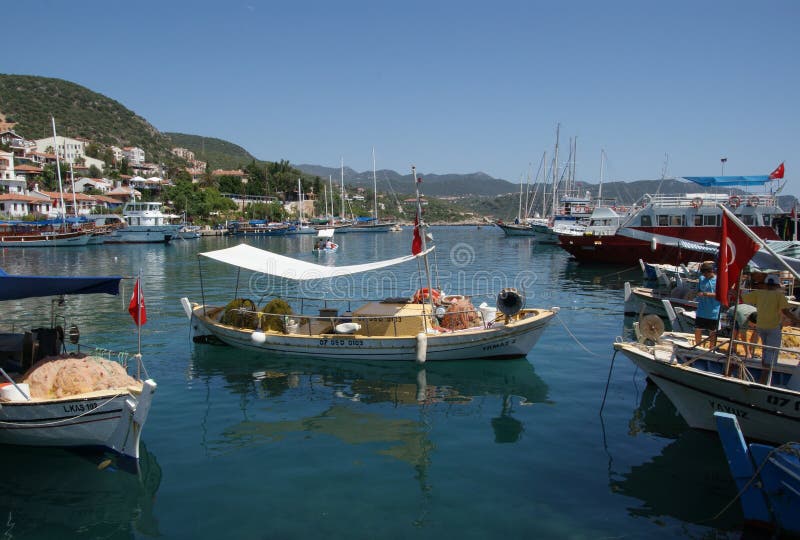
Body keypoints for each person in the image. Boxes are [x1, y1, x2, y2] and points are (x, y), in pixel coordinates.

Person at [742, 274, 800, 384]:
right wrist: (798, 321)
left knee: (765, 351)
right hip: (773, 327)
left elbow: (743, 298)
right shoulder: (779, 296)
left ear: (766, 284)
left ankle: (763, 378)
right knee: (772, 354)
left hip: (761, 326)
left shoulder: (758, 293)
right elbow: (786, 312)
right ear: (777, 285)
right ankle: (764, 381)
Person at [694, 261, 721, 348]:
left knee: (712, 331)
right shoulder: (701, 278)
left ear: (710, 272)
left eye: (705, 274)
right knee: (698, 329)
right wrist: (697, 294)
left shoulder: (718, 281)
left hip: (713, 311)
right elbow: (698, 291)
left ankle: (711, 348)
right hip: (701, 309)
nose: (704, 276)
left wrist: (706, 294)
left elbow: (720, 295)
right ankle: (698, 346)